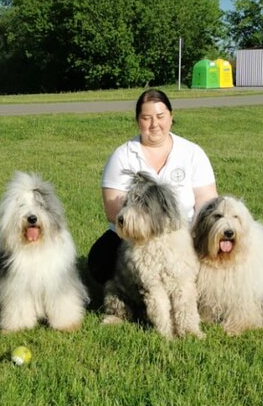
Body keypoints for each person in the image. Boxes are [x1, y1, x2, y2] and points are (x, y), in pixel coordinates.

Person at [87, 88, 218, 285]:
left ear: (171, 117)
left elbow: (207, 202)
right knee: (101, 258)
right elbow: (112, 211)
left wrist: (186, 237)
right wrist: (149, 231)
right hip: (134, 237)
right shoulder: (123, 156)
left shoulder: (192, 153)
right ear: (138, 120)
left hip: (183, 234)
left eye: (160, 116)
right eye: (147, 118)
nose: (154, 124)